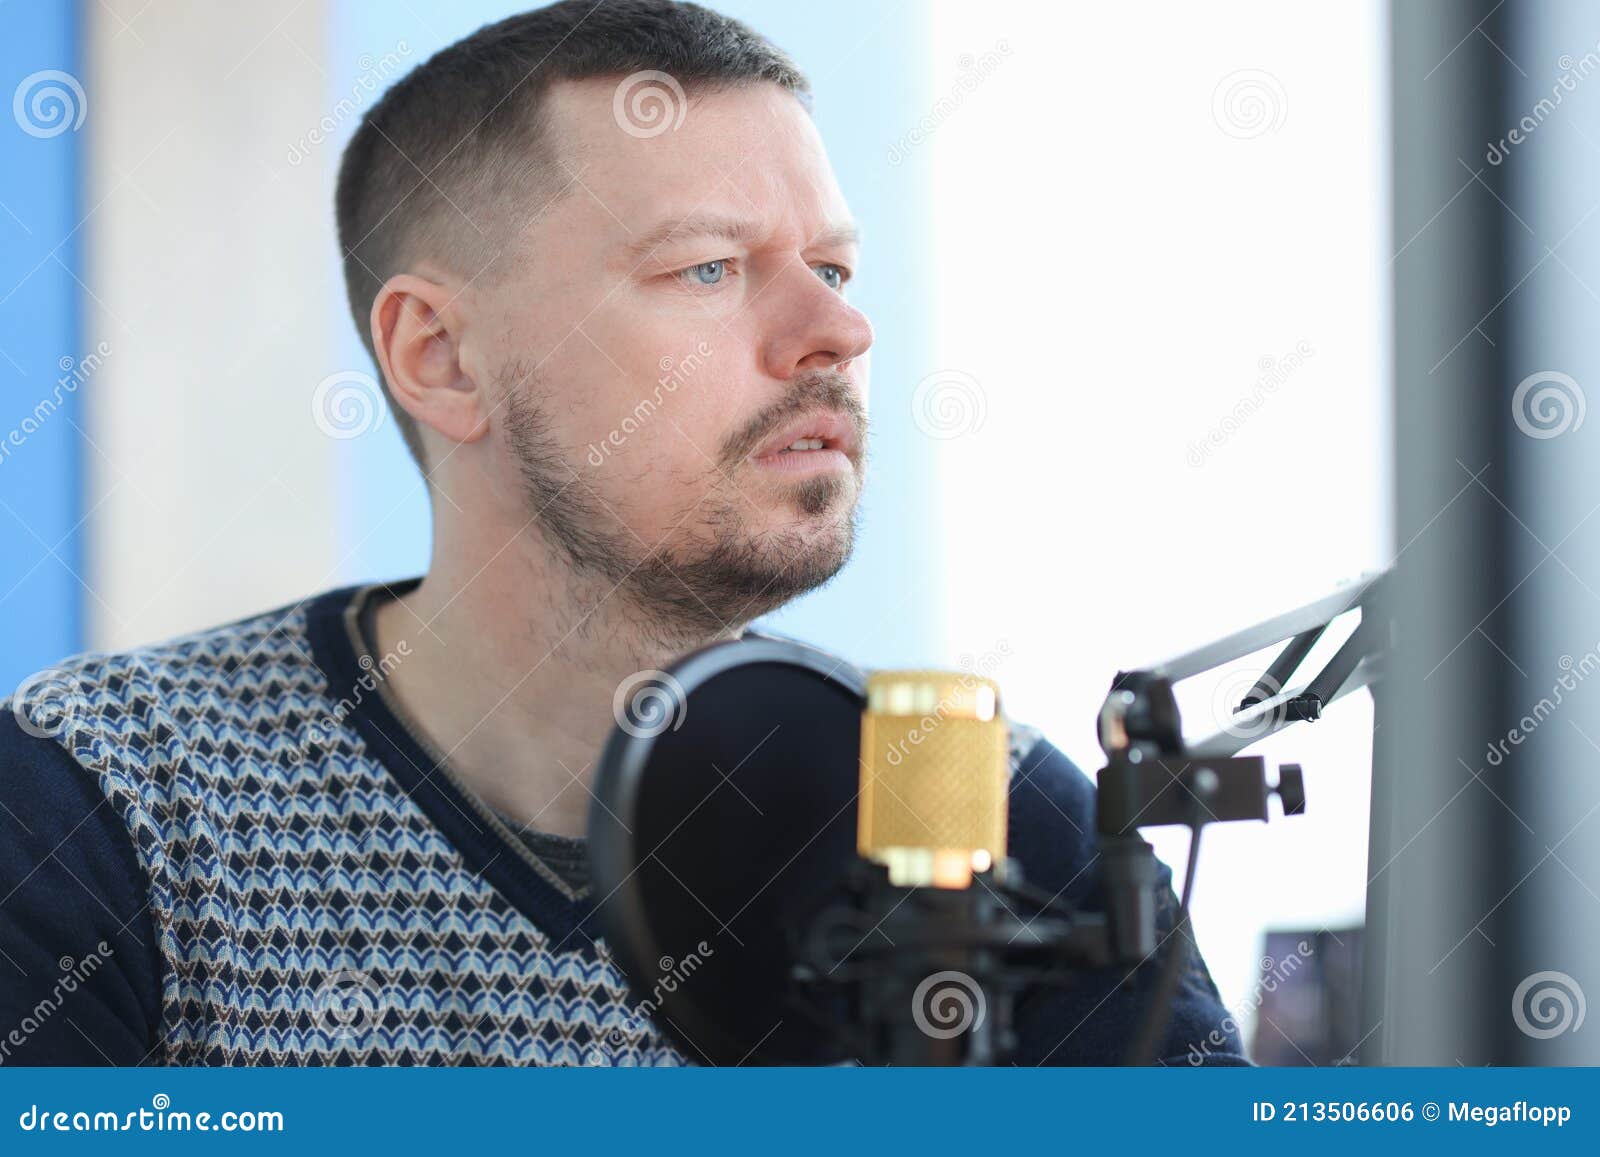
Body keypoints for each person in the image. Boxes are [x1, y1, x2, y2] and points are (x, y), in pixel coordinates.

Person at [0, 0, 1244, 1066]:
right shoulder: (107, 798)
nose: (836, 331)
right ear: (440, 357)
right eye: (709, 268)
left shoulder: (987, 807)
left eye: (836, 268)